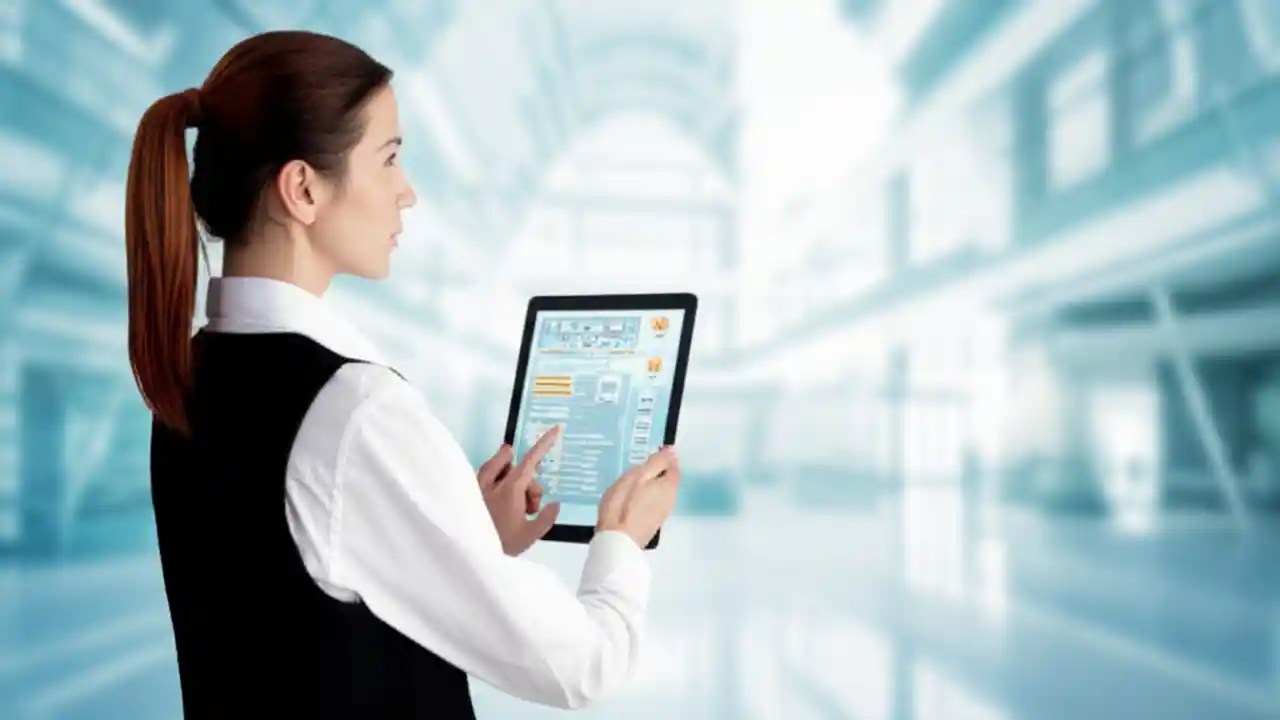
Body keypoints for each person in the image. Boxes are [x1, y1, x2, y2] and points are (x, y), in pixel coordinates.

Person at [126, 30, 680, 718]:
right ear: (302, 188)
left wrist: (465, 541)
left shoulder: (188, 374)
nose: (407, 193)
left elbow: (286, 621)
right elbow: (585, 668)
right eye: (388, 159)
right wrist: (623, 536)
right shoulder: (355, 409)